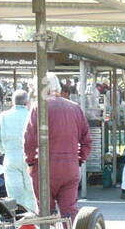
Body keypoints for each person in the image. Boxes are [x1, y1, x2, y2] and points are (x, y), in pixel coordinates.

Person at [23, 72, 91, 221]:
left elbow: (29, 139)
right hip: (70, 167)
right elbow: (87, 140)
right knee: (69, 212)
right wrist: (79, 160)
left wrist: (30, 162)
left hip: (44, 167)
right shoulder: (75, 108)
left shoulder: (38, 107)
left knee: (46, 214)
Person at [0, 87, 37, 211]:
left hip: (11, 157)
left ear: (12, 102)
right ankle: (32, 221)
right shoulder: (31, 115)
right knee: (31, 193)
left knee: (14, 194)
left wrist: (5, 150)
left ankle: (18, 219)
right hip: (30, 158)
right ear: (27, 102)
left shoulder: (3, 116)